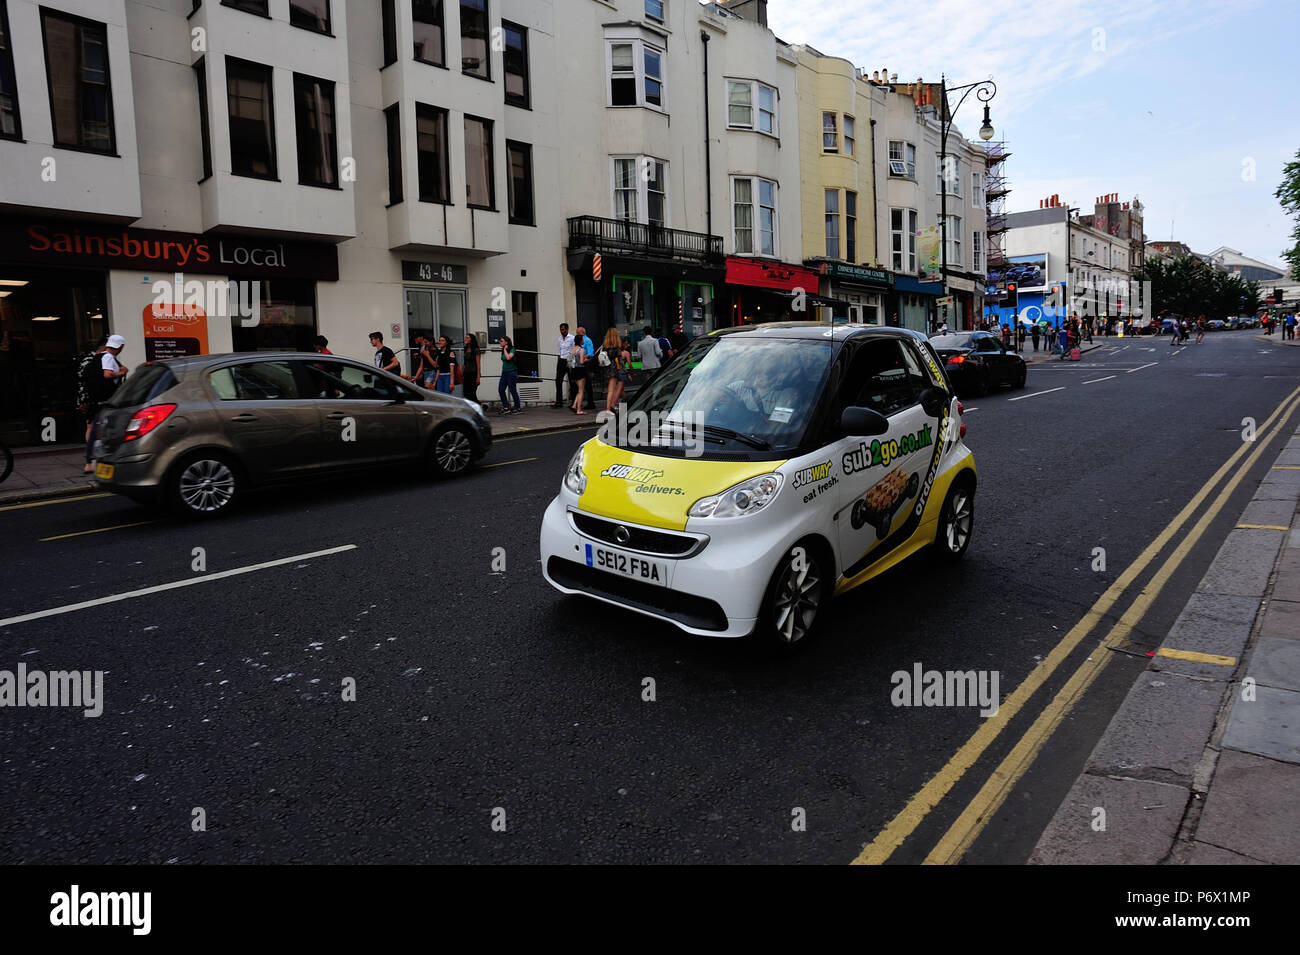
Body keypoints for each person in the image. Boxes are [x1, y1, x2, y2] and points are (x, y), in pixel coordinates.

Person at [76, 336, 109, 473]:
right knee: (92, 427)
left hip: (87, 397)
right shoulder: (94, 361)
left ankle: (91, 458)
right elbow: (84, 382)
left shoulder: (87, 360)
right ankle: (90, 459)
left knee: (92, 427)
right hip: (91, 398)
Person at [601, 328, 631, 414]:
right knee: (611, 390)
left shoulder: (605, 347)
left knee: (610, 390)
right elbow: (621, 362)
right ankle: (608, 408)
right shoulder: (616, 348)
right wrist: (626, 372)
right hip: (613, 369)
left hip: (606, 369)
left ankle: (611, 406)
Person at [498, 335, 522, 414]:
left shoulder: (512, 349)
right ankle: (506, 407)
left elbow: (508, 358)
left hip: (511, 372)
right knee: (501, 389)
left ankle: (518, 407)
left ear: (506, 342)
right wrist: (504, 349)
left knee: (512, 390)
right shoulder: (503, 350)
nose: (500, 342)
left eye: (501, 341)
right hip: (504, 372)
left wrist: (505, 349)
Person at [553, 322, 574, 407]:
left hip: (569, 360)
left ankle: (574, 402)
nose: (562, 331)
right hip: (561, 360)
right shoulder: (559, 339)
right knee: (558, 380)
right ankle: (559, 402)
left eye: (563, 329)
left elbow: (574, 350)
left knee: (572, 382)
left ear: (567, 329)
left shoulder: (572, 338)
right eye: (561, 330)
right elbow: (559, 351)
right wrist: (558, 362)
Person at [568, 332, 590, 414]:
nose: (583, 340)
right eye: (583, 339)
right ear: (580, 341)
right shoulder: (581, 350)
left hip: (573, 370)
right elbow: (581, 362)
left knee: (579, 390)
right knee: (581, 391)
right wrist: (586, 359)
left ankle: (574, 405)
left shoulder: (573, 349)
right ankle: (579, 410)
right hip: (580, 370)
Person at [576, 325, 597, 408]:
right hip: (581, 364)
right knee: (583, 384)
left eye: (577, 333)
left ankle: (591, 403)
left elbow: (591, 353)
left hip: (587, 364)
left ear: (583, 332)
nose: (576, 334)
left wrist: (584, 358)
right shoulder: (580, 340)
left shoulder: (587, 340)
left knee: (587, 384)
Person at [462, 333, 481, 404]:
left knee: (472, 394)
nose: (465, 339)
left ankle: (480, 405)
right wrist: (461, 373)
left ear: (471, 339)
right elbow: (465, 363)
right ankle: (473, 409)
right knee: (465, 393)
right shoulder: (466, 349)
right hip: (466, 373)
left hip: (474, 373)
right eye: (465, 337)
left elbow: (478, 364)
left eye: (467, 338)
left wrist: (478, 377)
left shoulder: (476, 350)